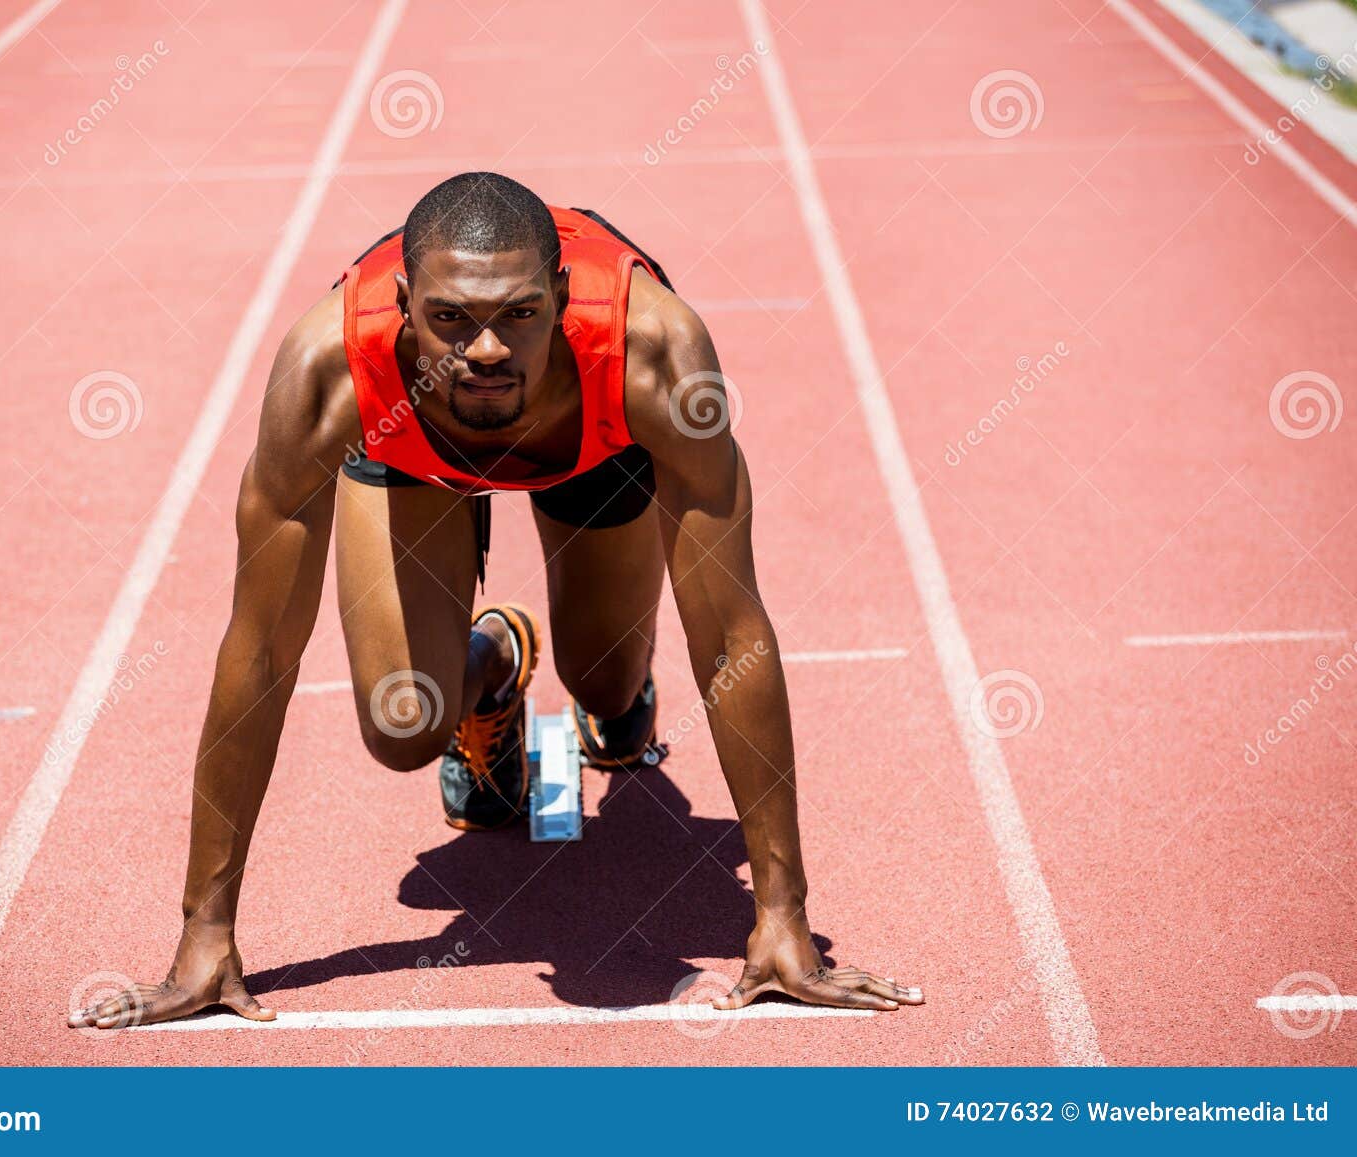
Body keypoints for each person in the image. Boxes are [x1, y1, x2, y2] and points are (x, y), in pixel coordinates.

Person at [70, 172, 922, 1029]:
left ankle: (603, 686)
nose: (483, 350)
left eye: (517, 315)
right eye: (450, 318)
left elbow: (734, 633)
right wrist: (203, 935)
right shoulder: (328, 370)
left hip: (595, 441)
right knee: (404, 724)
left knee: (606, 688)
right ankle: (493, 668)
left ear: (559, 296)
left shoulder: (653, 350)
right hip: (413, 450)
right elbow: (258, 648)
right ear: (404, 304)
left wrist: (782, 918)